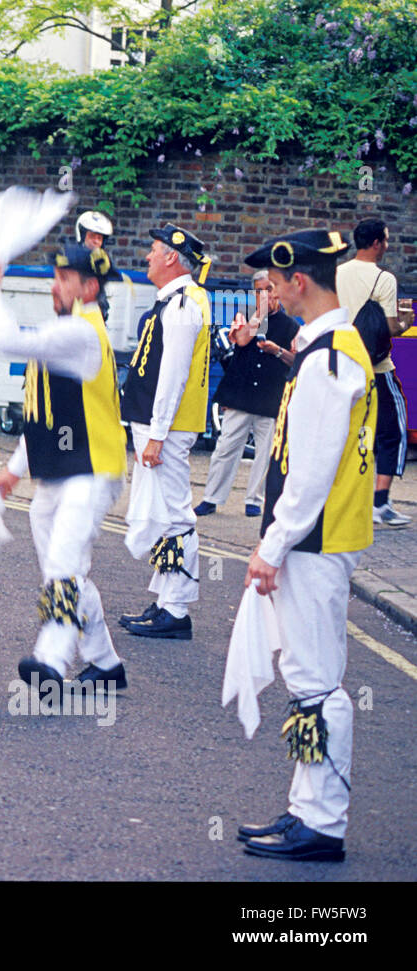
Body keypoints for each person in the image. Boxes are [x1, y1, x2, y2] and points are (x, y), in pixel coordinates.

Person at [237, 229, 373, 862]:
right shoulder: (328, 348)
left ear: (298, 280)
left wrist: (274, 543)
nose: (269, 291)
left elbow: (312, 469)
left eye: (273, 281)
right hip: (315, 540)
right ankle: (306, 811)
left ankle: (321, 824)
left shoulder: (329, 358)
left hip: (314, 541)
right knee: (307, 678)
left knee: (316, 682)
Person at [0, 243, 128, 691]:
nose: (54, 286)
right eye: (55, 276)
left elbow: (7, 341)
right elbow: (47, 409)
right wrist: (15, 467)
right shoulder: (69, 330)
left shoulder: (83, 333)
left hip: (93, 469)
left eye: (64, 279)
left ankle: (51, 659)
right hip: (62, 467)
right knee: (65, 569)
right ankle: (104, 662)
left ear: (90, 287)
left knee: (63, 564)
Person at [118, 223, 213, 639]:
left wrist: (157, 434)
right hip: (159, 427)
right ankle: (165, 602)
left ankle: (176, 612)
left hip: (168, 430)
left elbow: (172, 377)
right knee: (162, 513)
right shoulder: (176, 300)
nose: (147, 257)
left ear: (172, 257)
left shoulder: (183, 306)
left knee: (175, 514)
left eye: (153, 250)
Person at [194, 270, 298, 518]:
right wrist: (259, 316)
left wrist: (276, 351)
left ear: (278, 292)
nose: (265, 295)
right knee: (226, 447)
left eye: (269, 290)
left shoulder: (291, 325)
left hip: (270, 396)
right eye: (259, 291)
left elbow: (295, 359)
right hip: (240, 394)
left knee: (265, 452)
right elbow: (241, 341)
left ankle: (255, 499)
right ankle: (211, 497)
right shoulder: (247, 318)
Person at [336, 218, 408, 526]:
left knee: (346, 433)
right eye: (387, 240)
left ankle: (345, 499)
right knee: (393, 432)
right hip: (377, 368)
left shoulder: (335, 273)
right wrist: (406, 320)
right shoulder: (384, 279)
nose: (387, 246)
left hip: (340, 364)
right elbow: (390, 328)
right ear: (377, 243)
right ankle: (380, 502)